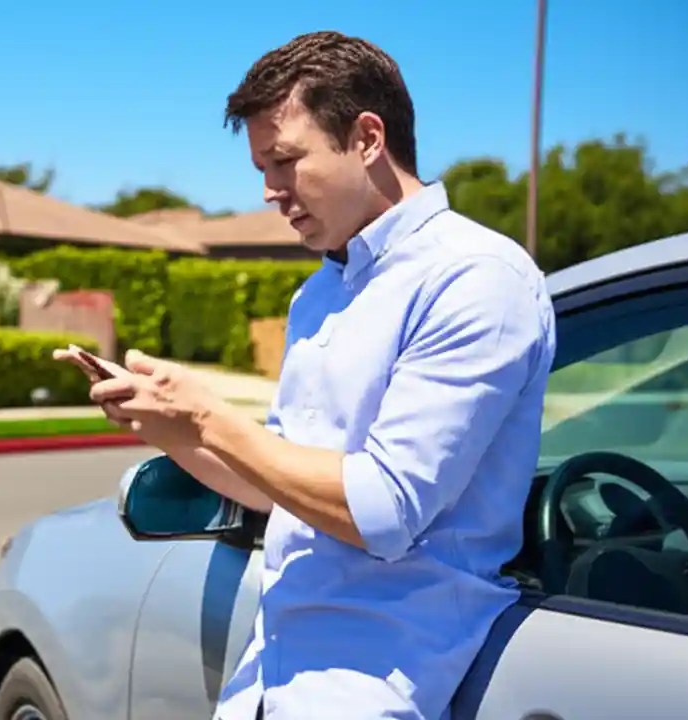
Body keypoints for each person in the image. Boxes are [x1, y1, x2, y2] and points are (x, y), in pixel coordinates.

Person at [57, 30, 556, 720]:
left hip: (377, 685)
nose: (270, 190)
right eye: (263, 166)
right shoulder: (321, 292)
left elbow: (381, 511)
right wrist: (169, 427)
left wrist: (209, 416)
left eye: (285, 161)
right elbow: (280, 487)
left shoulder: (475, 279)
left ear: (368, 138)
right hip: (268, 680)